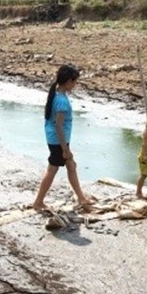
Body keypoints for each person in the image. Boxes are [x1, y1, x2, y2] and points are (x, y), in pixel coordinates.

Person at [32, 64, 95, 212]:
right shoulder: (61, 101)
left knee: (71, 166)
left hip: (56, 139)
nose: (75, 85)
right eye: (75, 82)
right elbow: (58, 126)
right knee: (52, 170)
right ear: (68, 82)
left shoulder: (58, 95)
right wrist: (65, 149)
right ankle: (38, 201)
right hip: (58, 140)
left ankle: (81, 198)